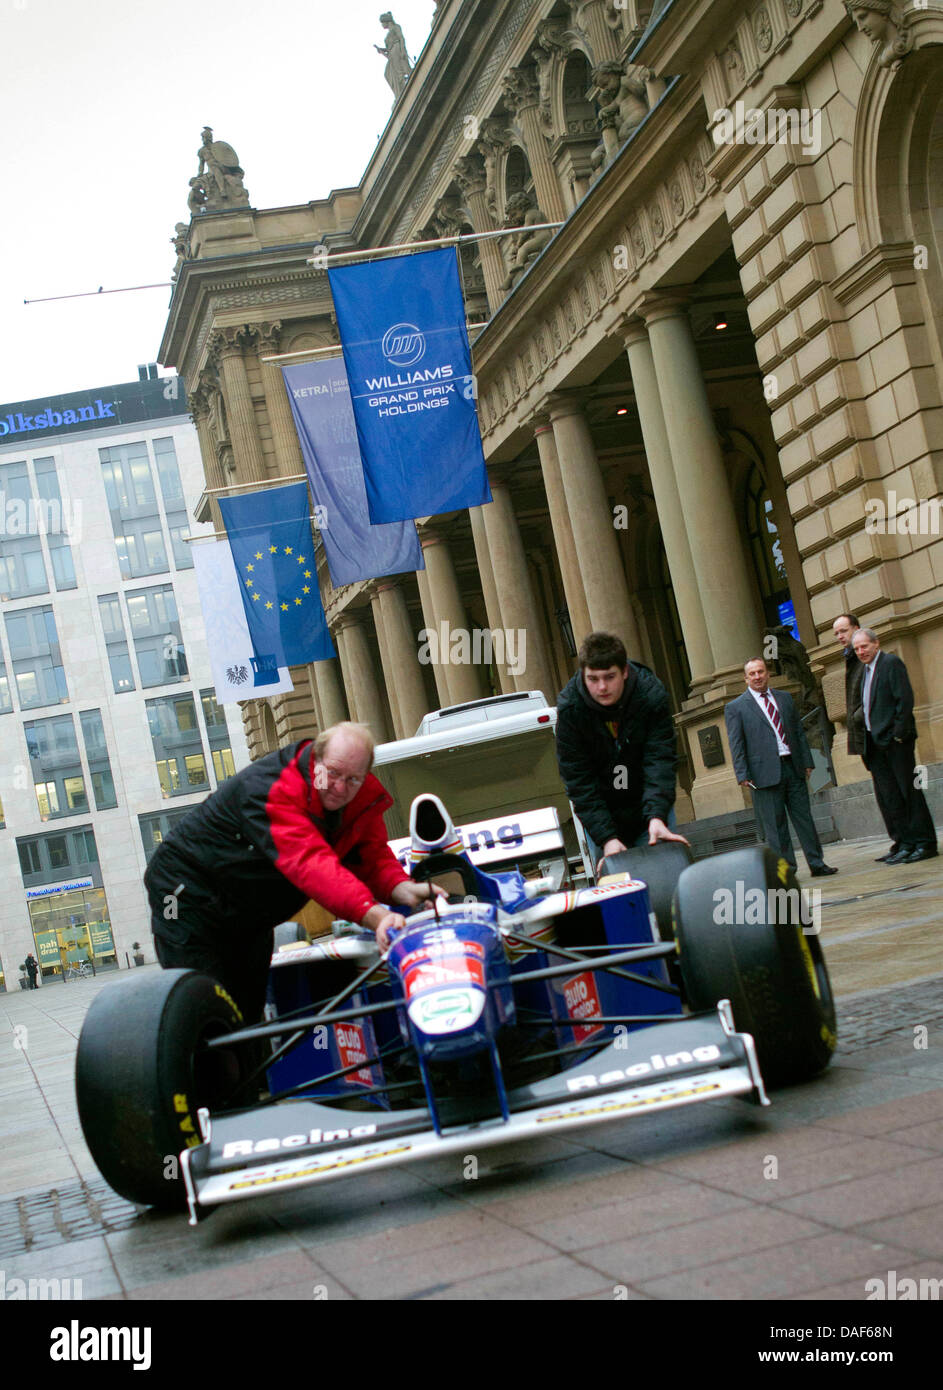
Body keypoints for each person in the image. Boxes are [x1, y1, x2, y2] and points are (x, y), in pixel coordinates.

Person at [145, 722, 441, 1021]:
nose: (340, 788)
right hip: (181, 893)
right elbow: (311, 864)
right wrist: (374, 915)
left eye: (353, 779)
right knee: (205, 1006)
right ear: (316, 758)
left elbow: (371, 858)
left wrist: (402, 888)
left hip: (247, 912)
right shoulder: (271, 789)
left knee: (248, 1011)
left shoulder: (359, 800)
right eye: (333, 773)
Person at [555, 630, 688, 873]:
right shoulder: (570, 710)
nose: (602, 687)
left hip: (647, 803)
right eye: (593, 679)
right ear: (583, 675)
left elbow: (659, 760)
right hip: (603, 812)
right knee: (617, 889)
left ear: (625, 671)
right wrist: (606, 838)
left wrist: (657, 815)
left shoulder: (650, 695)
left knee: (666, 879)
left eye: (610, 677)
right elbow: (578, 781)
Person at [725, 657, 837, 877]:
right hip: (762, 774)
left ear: (768, 673)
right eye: (753, 674)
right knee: (776, 828)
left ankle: (817, 863)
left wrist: (807, 761)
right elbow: (736, 743)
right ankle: (786, 871)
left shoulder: (785, 699)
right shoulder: (736, 707)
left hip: (792, 767)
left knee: (804, 819)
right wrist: (742, 774)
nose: (757, 677)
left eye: (761, 672)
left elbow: (798, 732)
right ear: (746, 679)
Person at [851, 628, 938, 864]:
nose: (861, 652)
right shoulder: (864, 671)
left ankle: (925, 843)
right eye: (857, 648)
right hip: (875, 745)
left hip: (895, 742)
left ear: (875, 644)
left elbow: (904, 698)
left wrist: (898, 734)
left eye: (864, 646)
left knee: (908, 792)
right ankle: (907, 844)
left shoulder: (890, 663)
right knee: (892, 797)